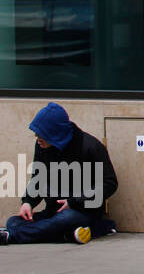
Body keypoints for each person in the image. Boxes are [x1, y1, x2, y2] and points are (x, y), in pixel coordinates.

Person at [2, 103, 117, 246]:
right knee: (13, 222)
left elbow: (109, 183)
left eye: (41, 134)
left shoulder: (90, 146)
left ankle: (11, 237)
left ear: (54, 132)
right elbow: (38, 179)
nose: (37, 137)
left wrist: (74, 201)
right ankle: (70, 235)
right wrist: (28, 202)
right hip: (52, 212)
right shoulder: (42, 146)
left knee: (64, 220)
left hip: (81, 211)